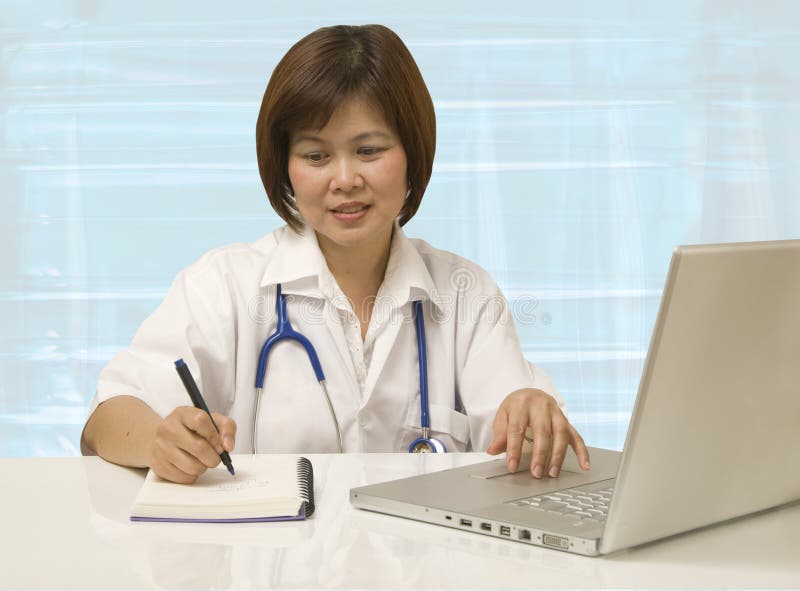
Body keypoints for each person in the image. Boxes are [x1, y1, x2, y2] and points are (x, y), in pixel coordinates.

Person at [81, 24, 591, 484]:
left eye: (369, 150)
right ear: (285, 167)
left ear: (414, 153)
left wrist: (531, 415)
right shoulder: (224, 284)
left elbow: (515, 424)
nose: (345, 179)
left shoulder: (464, 293)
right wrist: (158, 440)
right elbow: (107, 418)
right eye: (316, 155)